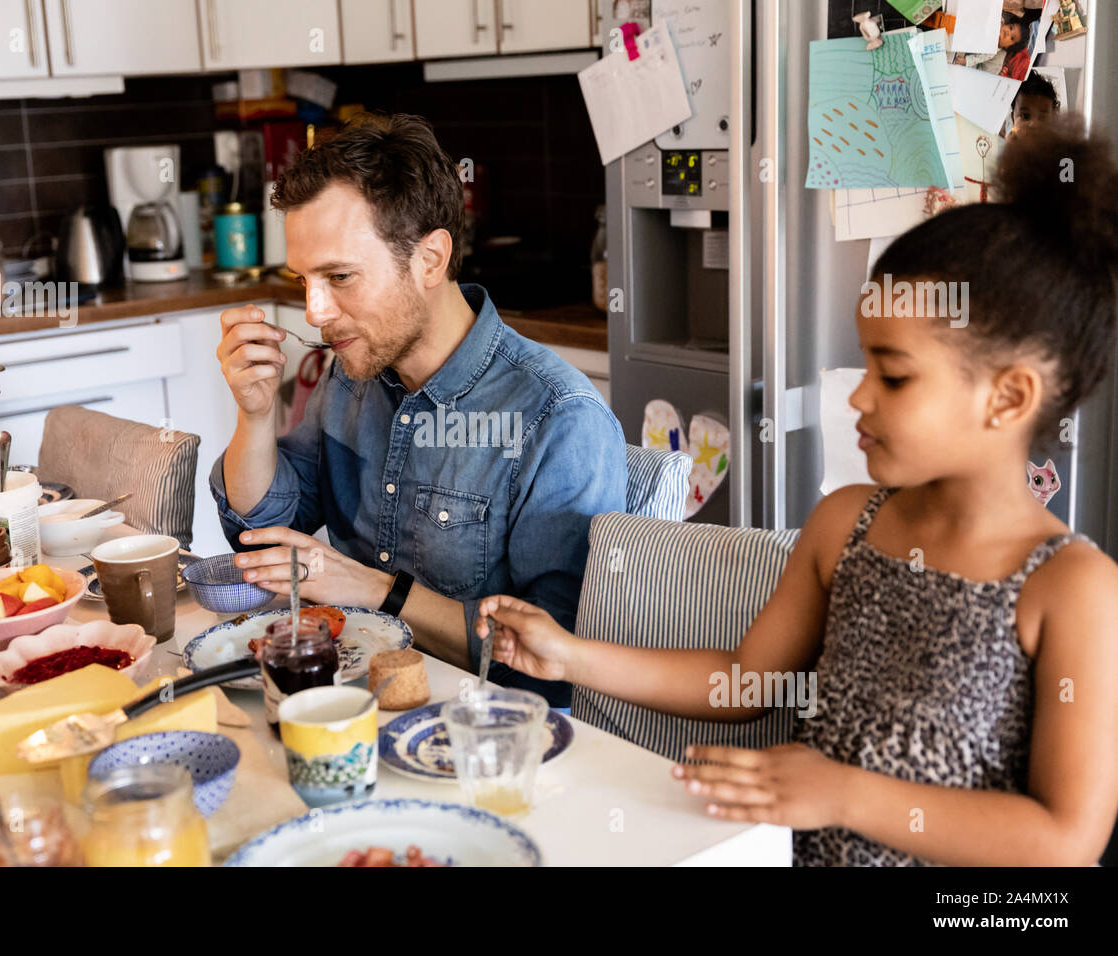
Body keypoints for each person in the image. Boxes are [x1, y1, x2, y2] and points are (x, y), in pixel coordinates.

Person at [474, 118, 1118, 865]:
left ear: (1008, 399)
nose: (858, 398)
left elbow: (1065, 840)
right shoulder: (848, 523)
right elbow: (744, 682)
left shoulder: (1072, 587)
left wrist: (842, 792)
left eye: (895, 375)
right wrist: (574, 657)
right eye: (865, 366)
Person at [211, 113, 627, 708]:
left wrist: (380, 591)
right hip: (355, 702)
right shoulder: (353, 373)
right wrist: (253, 415)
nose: (314, 312)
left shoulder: (557, 418)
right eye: (303, 280)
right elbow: (262, 530)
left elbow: (555, 664)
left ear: (430, 260)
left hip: (480, 734)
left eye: (340, 276)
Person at [1010, 70, 1061, 137]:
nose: (1034, 125)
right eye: (1025, 116)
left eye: (1043, 118)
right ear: (1012, 118)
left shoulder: (1059, 146)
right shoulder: (1009, 144)